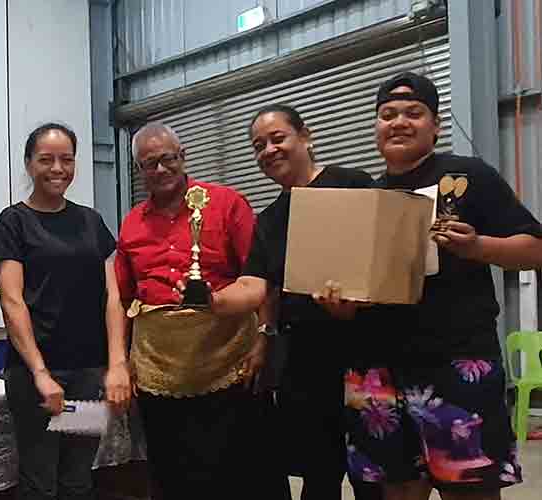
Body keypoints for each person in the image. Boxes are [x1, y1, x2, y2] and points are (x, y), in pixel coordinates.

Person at [338, 72, 542, 500]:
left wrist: (478, 245)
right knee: (396, 490)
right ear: (375, 126)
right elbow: (354, 299)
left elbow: (534, 248)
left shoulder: (469, 176)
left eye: (414, 113)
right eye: (387, 114)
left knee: (469, 490)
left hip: (455, 364)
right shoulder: (364, 200)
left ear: (435, 125)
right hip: (378, 372)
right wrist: (338, 303)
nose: (399, 122)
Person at [216, 103, 383, 500]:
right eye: (259, 146)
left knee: (371, 474)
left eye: (278, 138)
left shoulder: (352, 183)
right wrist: (216, 302)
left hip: (365, 353)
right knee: (318, 473)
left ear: (305, 136)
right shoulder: (270, 219)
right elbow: (261, 286)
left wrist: (360, 304)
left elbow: (384, 257)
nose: (269, 151)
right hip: (305, 361)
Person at [113, 122, 269, 497]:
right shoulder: (132, 223)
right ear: (139, 171)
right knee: (171, 476)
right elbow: (119, 299)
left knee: (235, 476)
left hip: (227, 365)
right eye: (150, 164)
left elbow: (261, 278)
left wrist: (264, 336)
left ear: (183, 157)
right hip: (158, 375)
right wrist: (118, 361)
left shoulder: (227, 204)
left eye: (168, 158)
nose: (161, 169)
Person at [0, 123, 129, 500]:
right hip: (36, 378)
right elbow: (12, 302)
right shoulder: (13, 222)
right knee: (40, 480)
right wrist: (40, 373)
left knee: (78, 479)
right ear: (29, 164)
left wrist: (116, 364)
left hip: (86, 375)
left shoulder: (90, 222)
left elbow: (111, 296)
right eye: (46, 160)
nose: (57, 168)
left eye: (66, 159)